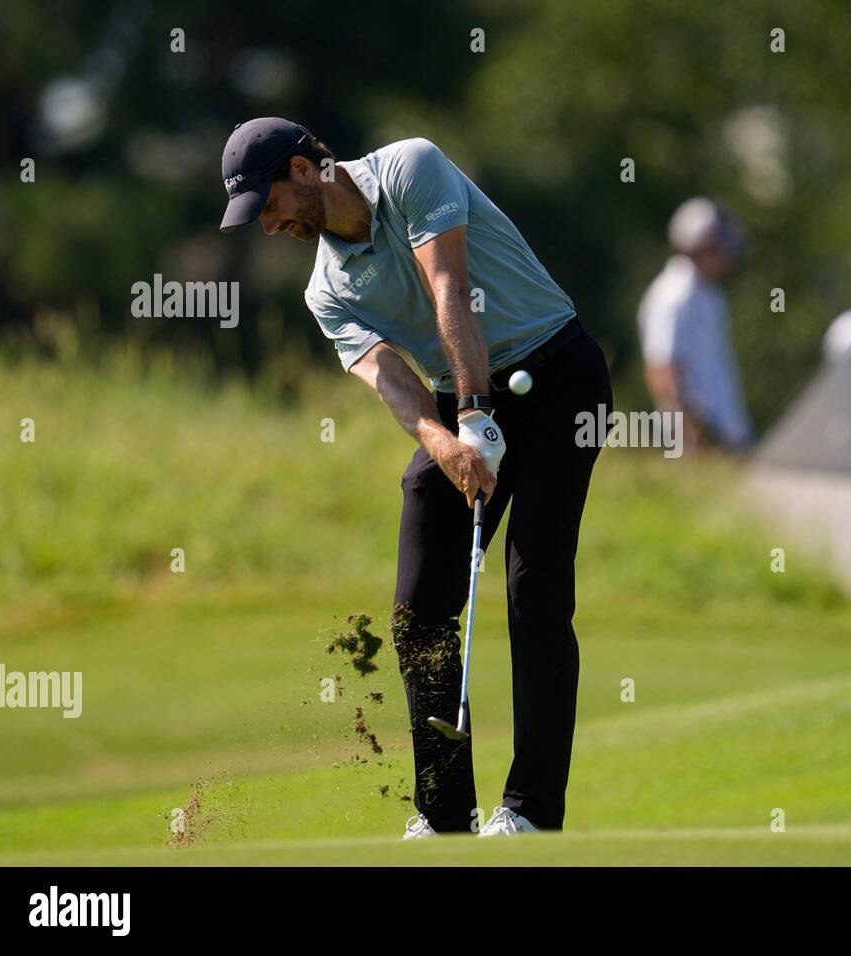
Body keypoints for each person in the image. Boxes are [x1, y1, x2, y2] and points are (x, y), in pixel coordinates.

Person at [218, 118, 612, 838]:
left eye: (268, 203)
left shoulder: (410, 168)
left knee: (535, 592)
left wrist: (474, 409)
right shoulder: (326, 289)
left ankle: (530, 813)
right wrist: (445, 437)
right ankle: (445, 814)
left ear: (305, 170)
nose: (268, 225)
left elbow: (449, 287)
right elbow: (388, 376)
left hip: (558, 376)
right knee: (419, 608)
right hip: (455, 401)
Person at [637, 197, 754, 453]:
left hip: (726, 438)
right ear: (700, 246)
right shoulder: (673, 296)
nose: (727, 254)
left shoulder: (710, 294)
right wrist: (687, 441)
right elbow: (662, 369)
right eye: (719, 245)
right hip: (704, 441)